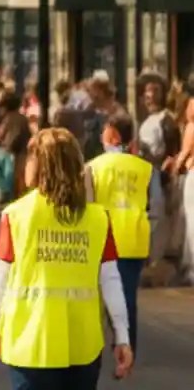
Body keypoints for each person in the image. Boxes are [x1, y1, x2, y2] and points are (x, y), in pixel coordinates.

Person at [0, 127, 133, 388]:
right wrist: (122, 336)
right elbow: (111, 281)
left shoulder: (16, 215)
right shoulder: (98, 219)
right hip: (83, 346)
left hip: (29, 344)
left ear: (40, 165)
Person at [85, 111, 159, 356]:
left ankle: (92, 348)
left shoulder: (94, 167)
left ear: (113, 134)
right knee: (127, 299)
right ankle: (127, 347)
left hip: (103, 239)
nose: (101, 135)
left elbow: (88, 205)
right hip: (134, 239)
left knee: (95, 298)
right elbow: (153, 204)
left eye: (105, 130)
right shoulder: (144, 168)